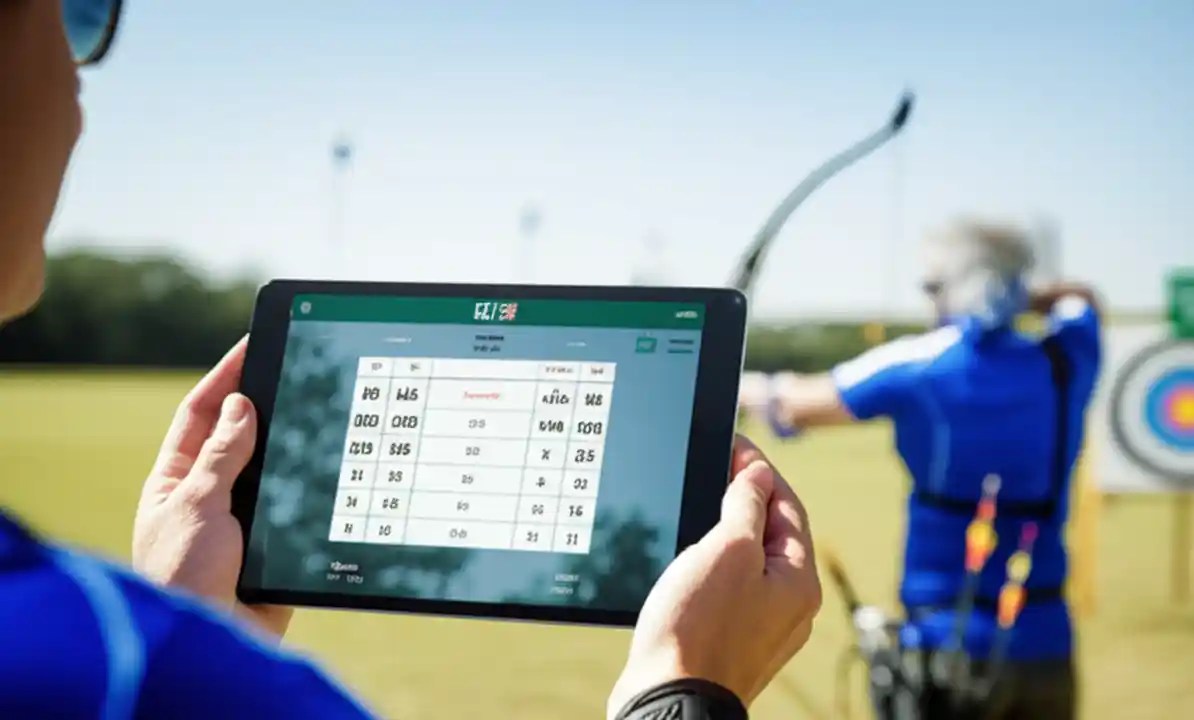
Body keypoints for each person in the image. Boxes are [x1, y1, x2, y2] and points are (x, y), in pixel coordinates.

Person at [0, 2, 821, 718]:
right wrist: (683, 690)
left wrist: (200, 621)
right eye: (74, 13)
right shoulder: (139, 678)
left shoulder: (145, 664)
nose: (79, 86)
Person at [743, 220, 1101, 719]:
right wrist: (1016, 289)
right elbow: (1084, 301)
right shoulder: (1069, 356)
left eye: (936, 287)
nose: (931, 302)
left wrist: (735, 384)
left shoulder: (925, 366)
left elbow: (794, 405)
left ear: (968, 286)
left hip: (944, 657)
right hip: (1046, 648)